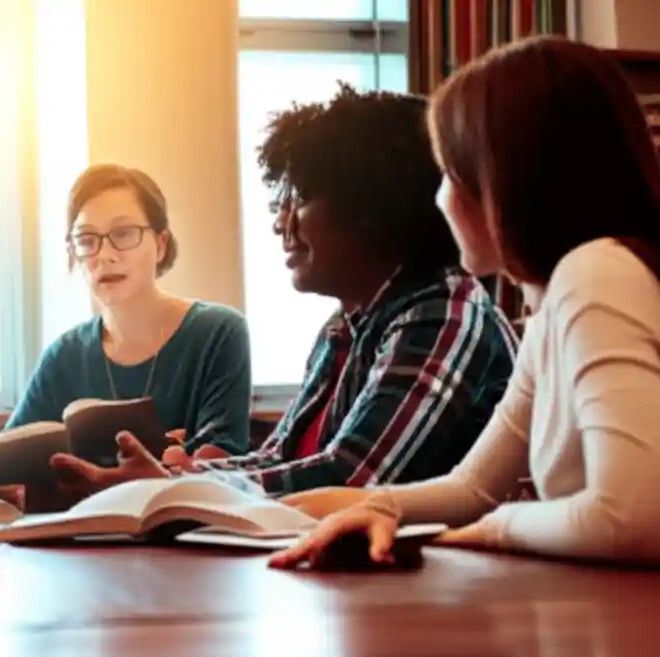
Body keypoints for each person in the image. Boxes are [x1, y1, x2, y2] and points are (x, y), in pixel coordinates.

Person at [271, 36, 660, 568]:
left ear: (509, 181)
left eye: (452, 174)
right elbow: (474, 486)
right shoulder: (553, 306)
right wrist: (378, 508)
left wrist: (490, 531)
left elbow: (630, 516)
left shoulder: (596, 274)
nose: (439, 200)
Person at [47, 87, 517, 505]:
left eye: (297, 200)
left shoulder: (442, 312)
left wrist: (171, 489)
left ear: (370, 205)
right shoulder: (344, 325)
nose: (280, 222)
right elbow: (277, 456)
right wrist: (175, 474)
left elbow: (353, 479)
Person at [7, 164, 253, 456]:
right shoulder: (64, 356)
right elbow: (4, 455)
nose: (105, 256)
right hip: (87, 504)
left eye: (123, 234)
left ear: (161, 245)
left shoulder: (218, 333)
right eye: (87, 240)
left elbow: (223, 458)